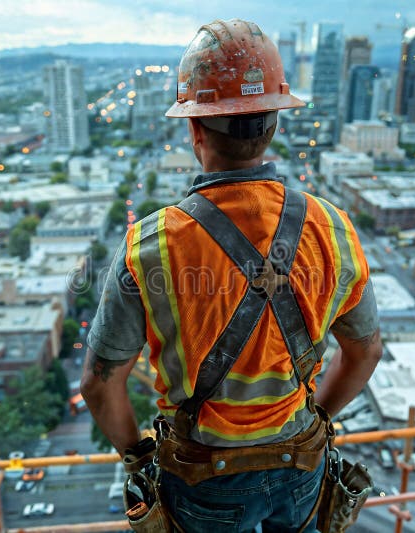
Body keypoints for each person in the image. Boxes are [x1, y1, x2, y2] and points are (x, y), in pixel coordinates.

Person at [81, 18, 382, 532]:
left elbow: (98, 384)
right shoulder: (332, 229)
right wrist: (314, 422)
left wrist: (137, 458)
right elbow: (365, 351)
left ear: (195, 128)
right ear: (275, 124)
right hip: (301, 469)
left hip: (202, 478)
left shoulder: (149, 247)